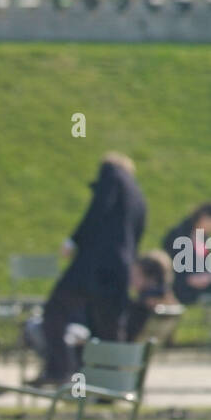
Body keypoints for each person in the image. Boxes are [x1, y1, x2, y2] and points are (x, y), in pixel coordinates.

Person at [33, 153, 147, 386]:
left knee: (55, 311)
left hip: (92, 268)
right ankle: (111, 385)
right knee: (109, 329)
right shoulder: (138, 195)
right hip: (119, 271)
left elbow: (99, 208)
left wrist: (74, 240)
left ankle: (60, 370)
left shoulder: (112, 173)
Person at [161, 203, 211, 308]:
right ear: (203, 217)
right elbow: (171, 265)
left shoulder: (202, 237)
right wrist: (190, 278)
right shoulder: (178, 235)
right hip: (180, 286)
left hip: (199, 284)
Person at [125, 250, 175, 341]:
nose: (131, 278)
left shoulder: (142, 306)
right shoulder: (167, 300)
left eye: (136, 274)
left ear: (151, 278)